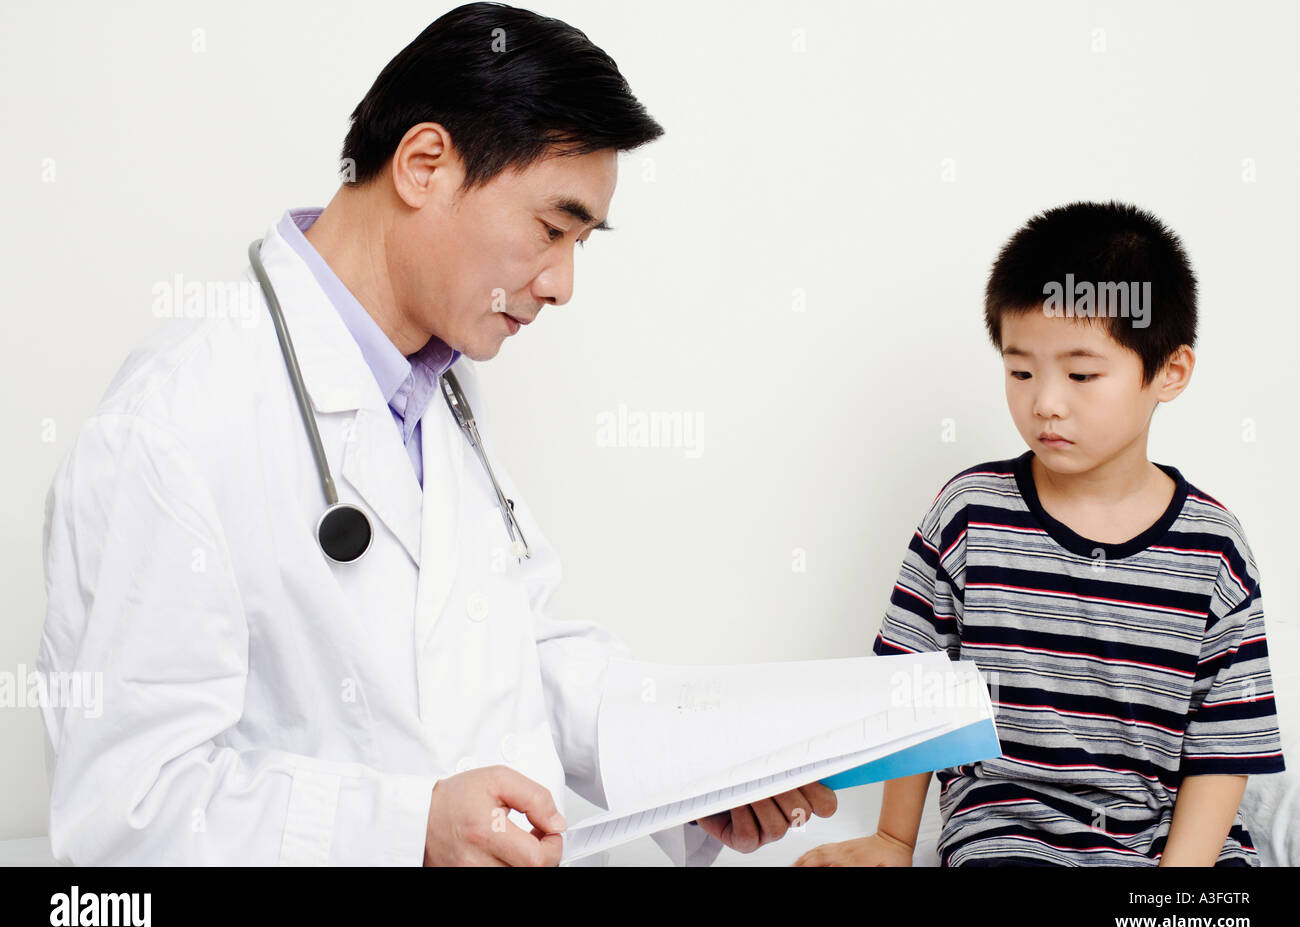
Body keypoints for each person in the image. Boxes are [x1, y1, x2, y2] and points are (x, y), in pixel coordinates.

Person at [36, 1, 835, 867]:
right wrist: (403, 830)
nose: (563, 284)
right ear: (424, 166)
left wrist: (700, 765)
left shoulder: (437, 387)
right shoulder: (169, 428)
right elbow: (129, 812)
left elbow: (515, 653)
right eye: (551, 229)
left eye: (581, 242)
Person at [795, 200, 1285, 867]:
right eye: (1021, 371)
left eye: (1082, 376)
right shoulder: (969, 513)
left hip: (1172, 836)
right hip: (1010, 826)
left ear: (1169, 372)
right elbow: (914, 683)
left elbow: (1224, 743)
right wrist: (893, 840)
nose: (1045, 402)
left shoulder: (1214, 546)